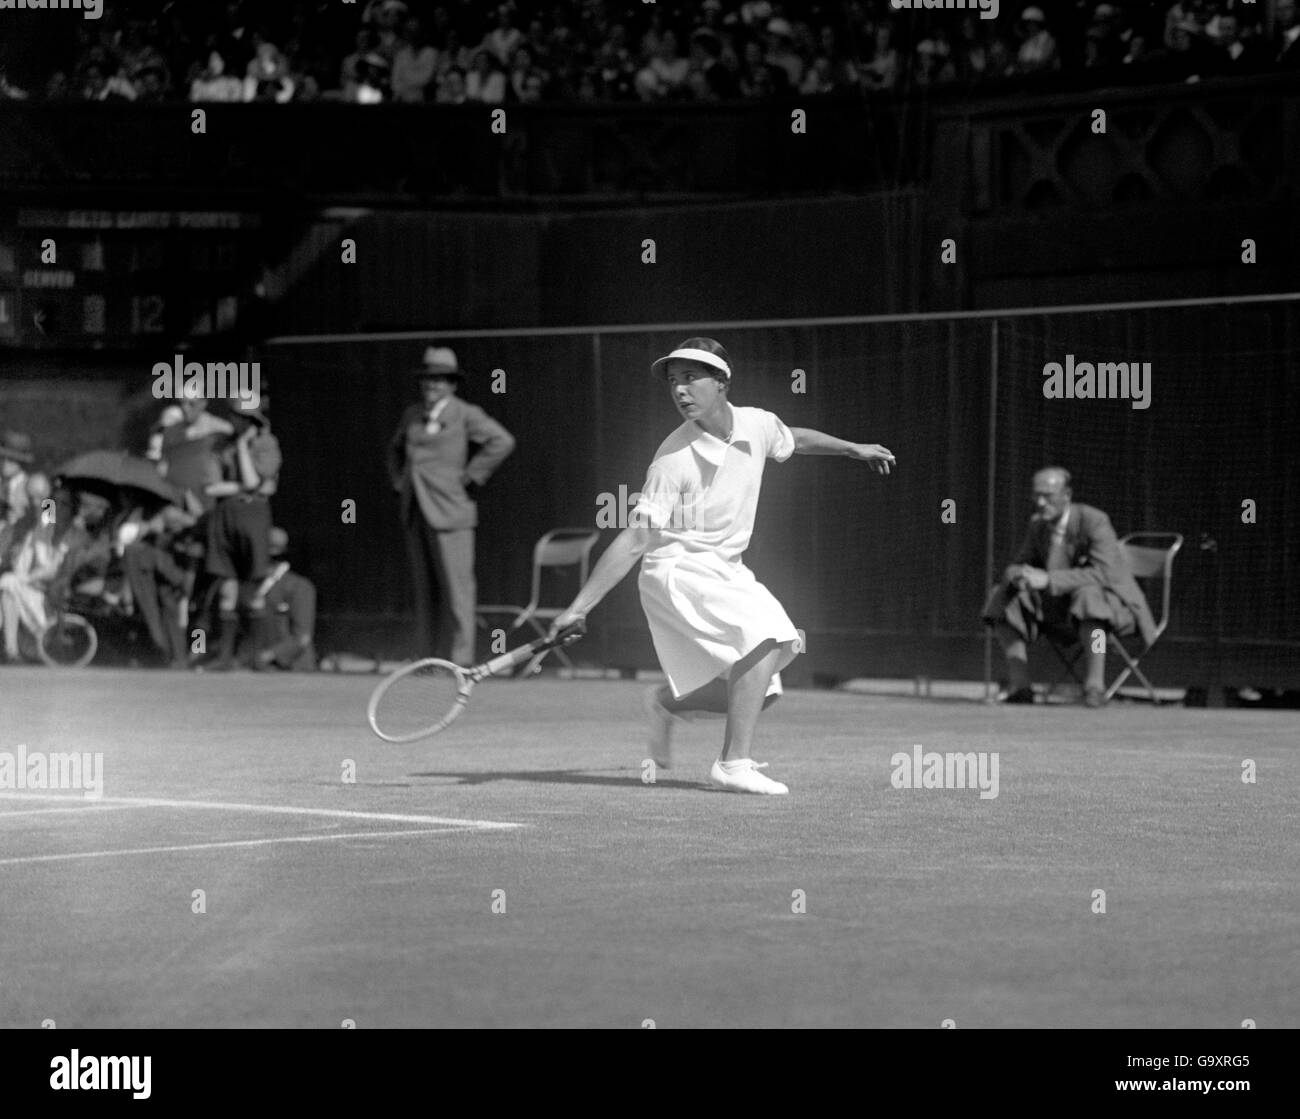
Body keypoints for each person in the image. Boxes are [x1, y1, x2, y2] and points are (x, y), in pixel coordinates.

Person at [548, 337, 895, 796]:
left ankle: (665, 703)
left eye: (692, 378)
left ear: (722, 382)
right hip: (677, 569)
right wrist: (579, 607)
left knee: (763, 689)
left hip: (725, 567)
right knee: (769, 633)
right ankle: (733, 764)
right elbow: (635, 538)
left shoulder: (757, 424)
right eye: (674, 381)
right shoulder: (672, 460)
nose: (680, 390)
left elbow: (794, 439)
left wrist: (852, 448)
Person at [981, 467, 1156, 708]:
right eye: (1036, 496)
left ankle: (1095, 687)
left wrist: (1049, 580)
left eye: (1048, 495)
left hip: (1110, 610)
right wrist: (1020, 575)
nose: (1041, 503)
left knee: (1089, 599)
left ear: (1067, 494)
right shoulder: (1038, 525)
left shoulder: (1094, 521)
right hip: (1059, 609)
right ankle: (1020, 686)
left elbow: (1104, 573)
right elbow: (1019, 563)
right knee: (1001, 597)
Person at [388, 346, 515, 665]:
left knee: (459, 594)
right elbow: (395, 449)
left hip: (451, 513)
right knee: (424, 591)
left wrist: (470, 476)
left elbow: (502, 440)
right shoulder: (412, 415)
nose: (432, 385)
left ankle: (461, 662)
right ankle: (426, 659)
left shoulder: (464, 413)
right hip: (416, 511)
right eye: (427, 379)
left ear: (452, 384)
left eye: (440, 380)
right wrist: (400, 480)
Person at [201, 408, 282, 670]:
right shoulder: (220, 445)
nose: (240, 422)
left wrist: (243, 448)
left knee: (254, 592)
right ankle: (225, 658)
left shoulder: (267, 444)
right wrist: (239, 486)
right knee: (227, 589)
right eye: (237, 416)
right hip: (226, 515)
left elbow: (254, 480)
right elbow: (211, 487)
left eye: (246, 418)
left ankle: (255, 657)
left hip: (253, 515)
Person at [248, 527, 317, 671]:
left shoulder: (299, 587)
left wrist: (269, 655)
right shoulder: (248, 585)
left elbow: (302, 638)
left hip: (292, 670)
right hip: (257, 669)